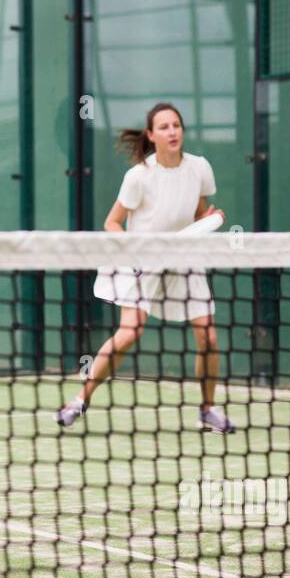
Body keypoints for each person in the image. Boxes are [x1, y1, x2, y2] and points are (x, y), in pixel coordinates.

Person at [56, 102, 236, 434]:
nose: (172, 132)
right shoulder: (139, 175)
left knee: (207, 334)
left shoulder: (199, 168)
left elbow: (196, 217)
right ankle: (79, 400)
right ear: (151, 135)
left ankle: (208, 409)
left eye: (177, 125)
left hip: (182, 257)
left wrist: (206, 221)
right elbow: (112, 222)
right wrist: (136, 251)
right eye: (164, 127)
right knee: (129, 333)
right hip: (141, 259)